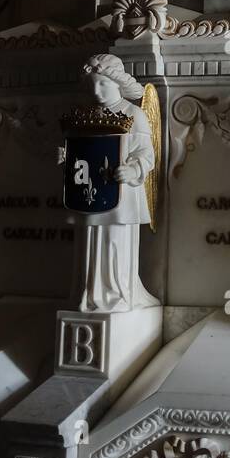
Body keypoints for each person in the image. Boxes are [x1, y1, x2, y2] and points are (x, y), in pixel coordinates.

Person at [61, 54, 159, 313]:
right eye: (92, 85)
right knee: (89, 245)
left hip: (120, 194)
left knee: (114, 243)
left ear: (117, 84)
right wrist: (66, 157)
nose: (97, 91)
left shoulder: (133, 113)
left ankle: (118, 293)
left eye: (103, 84)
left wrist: (133, 168)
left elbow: (146, 154)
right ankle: (88, 294)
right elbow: (83, 153)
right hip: (89, 193)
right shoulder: (85, 114)